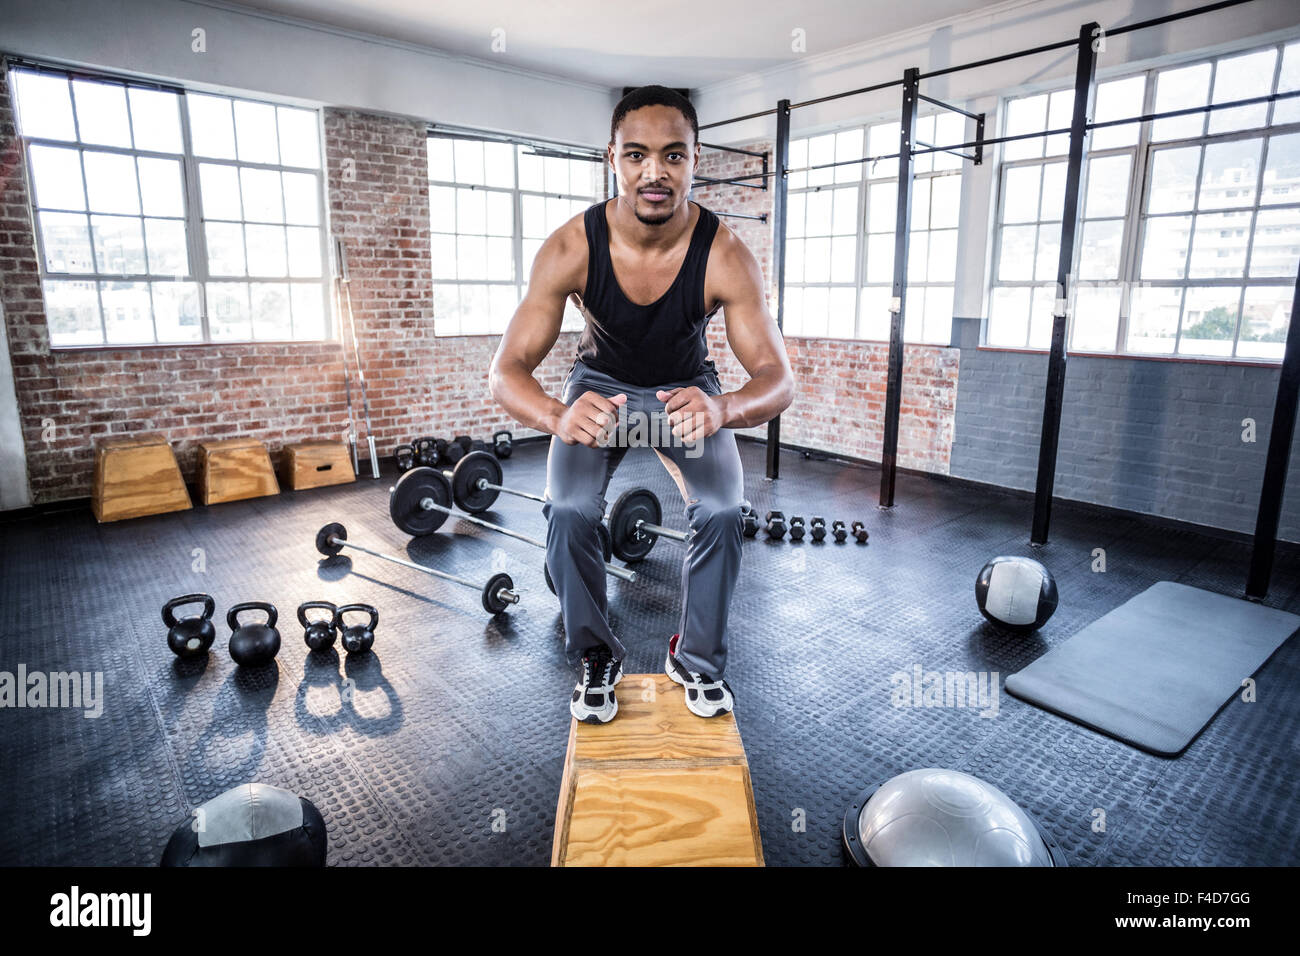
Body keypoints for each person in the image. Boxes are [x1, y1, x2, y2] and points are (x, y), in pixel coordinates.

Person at [489, 85, 793, 724]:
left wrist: (725, 409)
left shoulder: (726, 254)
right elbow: (506, 370)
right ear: (612, 158)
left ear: (694, 159)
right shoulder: (572, 247)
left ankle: (699, 660)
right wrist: (554, 415)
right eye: (636, 155)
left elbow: (777, 378)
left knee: (721, 508)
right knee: (569, 510)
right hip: (597, 392)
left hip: (688, 396)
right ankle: (597, 654)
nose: (654, 173)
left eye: (673, 156)